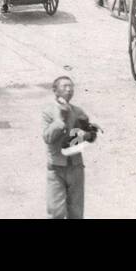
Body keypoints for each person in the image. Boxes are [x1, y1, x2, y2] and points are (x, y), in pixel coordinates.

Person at [41, 75, 98, 220]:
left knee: (76, 212)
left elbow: (88, 137)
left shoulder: (78, 111)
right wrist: (60, 120)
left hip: (76, 167)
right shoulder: (48, 112)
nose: (69, 90)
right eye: (65, 86)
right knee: (55, 212)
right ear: (55, 91)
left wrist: (88, 133)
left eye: (71, 87)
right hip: (56, 168)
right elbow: (48, 138)